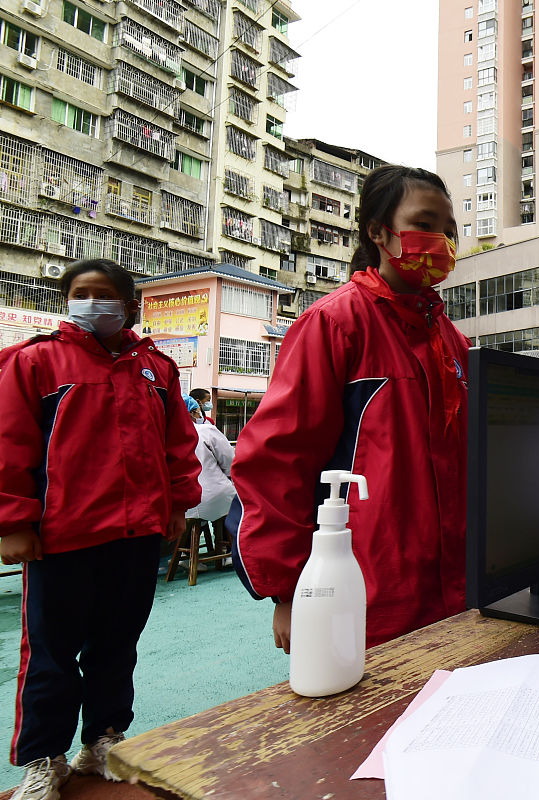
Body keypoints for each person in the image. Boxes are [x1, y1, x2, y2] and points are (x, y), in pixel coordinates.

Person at [230, 165, 470, 651]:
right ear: (379, 231)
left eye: (449, 230)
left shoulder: (452, 340)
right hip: (368, 586)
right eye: (424, 224)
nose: (441, 241)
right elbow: (278, 459)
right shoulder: (334, 324)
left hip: (456, 586)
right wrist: (288, 588)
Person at [0, 259, 201, 799]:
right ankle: (44, 758)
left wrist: (178, 505)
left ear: (132, 305)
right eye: (79, 294)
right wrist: (13, 523)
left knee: (118, 645)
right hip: (61, 539)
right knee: (51, 653)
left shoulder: (157, 368)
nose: (91, 303)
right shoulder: (36, 363)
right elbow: (9, 445)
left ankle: (104, 739)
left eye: (103, 294)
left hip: (135, 538)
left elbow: (178, 446)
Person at [185, 395, 235, 528]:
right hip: (215, 499)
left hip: (180, 506)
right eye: (197, 411)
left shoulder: (163, 435)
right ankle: (224, 544)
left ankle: (186, 542)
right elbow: (230, 463)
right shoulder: (205, 430)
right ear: (191, 413)